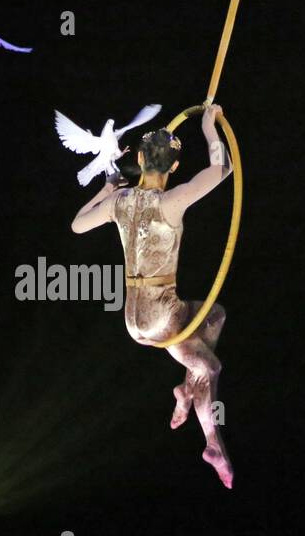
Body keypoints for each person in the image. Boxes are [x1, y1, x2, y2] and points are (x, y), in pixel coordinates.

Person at [71, 103, 235, 487]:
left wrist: (107, 188)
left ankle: (185, 392)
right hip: (161, 315)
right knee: (209, 367)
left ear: (140, 159)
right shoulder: (171, 201)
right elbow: (223, 169)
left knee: (214, 315)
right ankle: (212, 442)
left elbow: (77, 225)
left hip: (133, 319)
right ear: (174, 167)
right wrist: (209, 126)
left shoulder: (120, 202)